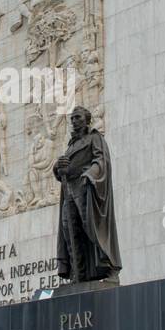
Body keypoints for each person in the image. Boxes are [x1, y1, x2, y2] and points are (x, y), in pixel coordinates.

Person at [53, 106, 121, 283]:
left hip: (85, 189)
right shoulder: (71, 145)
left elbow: (101, 160)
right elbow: (62, 170)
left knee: (91, 228)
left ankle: (110, 268)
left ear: (87, 119)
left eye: (78, 117)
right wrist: (57, 166)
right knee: (70, 232)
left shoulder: (94, 138)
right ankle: (78, 273)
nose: (74, 121)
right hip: (69, 191)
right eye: (72, 118)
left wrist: (90, 174)